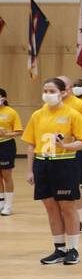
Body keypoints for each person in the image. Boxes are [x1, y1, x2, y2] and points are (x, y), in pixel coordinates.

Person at [23, 80, 82, 264]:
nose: (47, 94)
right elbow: (31, 144)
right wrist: (30, 170)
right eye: (45, 90)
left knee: (67, 207)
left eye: (52, 90)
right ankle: (59, 248)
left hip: (65, 164)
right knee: (51, 208)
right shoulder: (37, 115)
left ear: (62, 93)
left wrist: (66, 145)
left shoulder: (72, 115)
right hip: (42, 164)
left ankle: (73, 249)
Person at [55, 76, 82, 230]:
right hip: (56, 152)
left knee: (75, 185)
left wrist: (74, 128)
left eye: (62, 86)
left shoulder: (80, 105)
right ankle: (64, 219)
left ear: (69, 88)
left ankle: (78, 221)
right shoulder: (51, 105)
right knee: (58, 185)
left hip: (74, 150)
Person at [0, 88, 23, 216]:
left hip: (6, 145)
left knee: (6, 176)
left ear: (4, 98)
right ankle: (1, 203)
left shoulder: (11, 112)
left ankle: (8, 205)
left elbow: (20, 131)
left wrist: (6, 133)